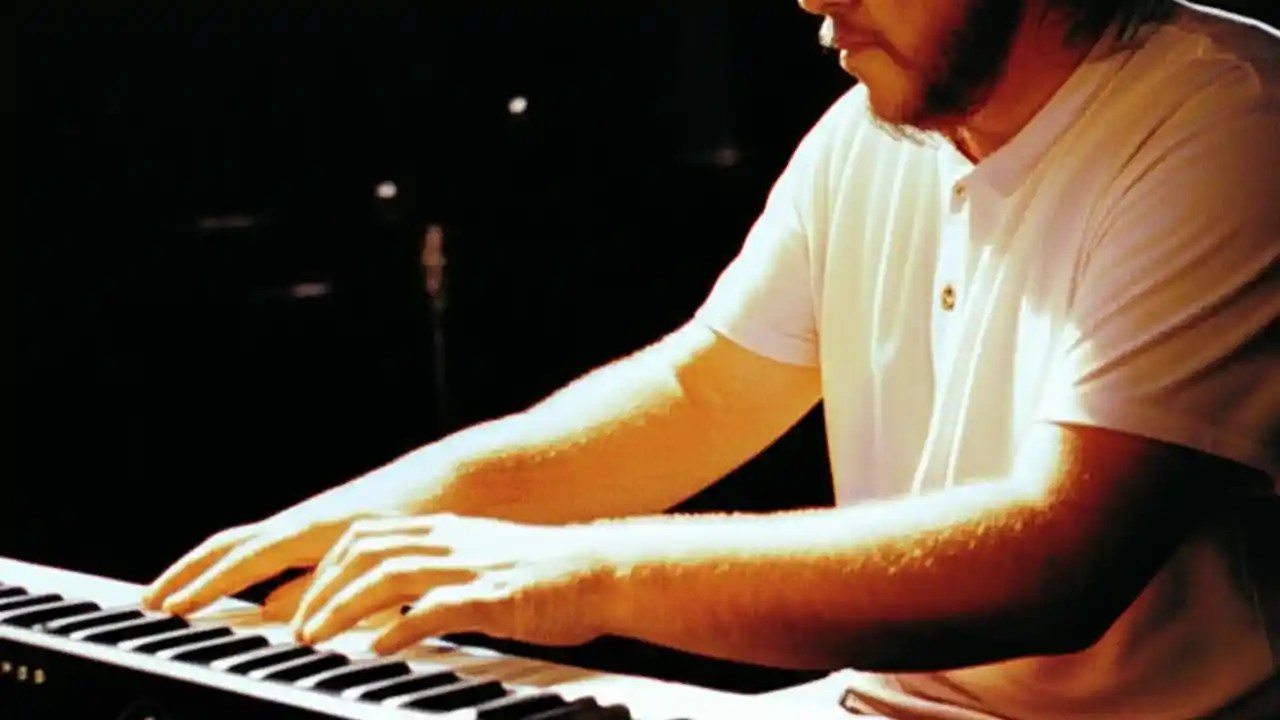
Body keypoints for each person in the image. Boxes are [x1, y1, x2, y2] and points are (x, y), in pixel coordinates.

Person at [143, 0, 1279, 716]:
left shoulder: (1226, 117)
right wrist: (364, 519)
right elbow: (702, 388)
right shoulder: (868, 135)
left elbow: (1053, 562)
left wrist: (582, 575)